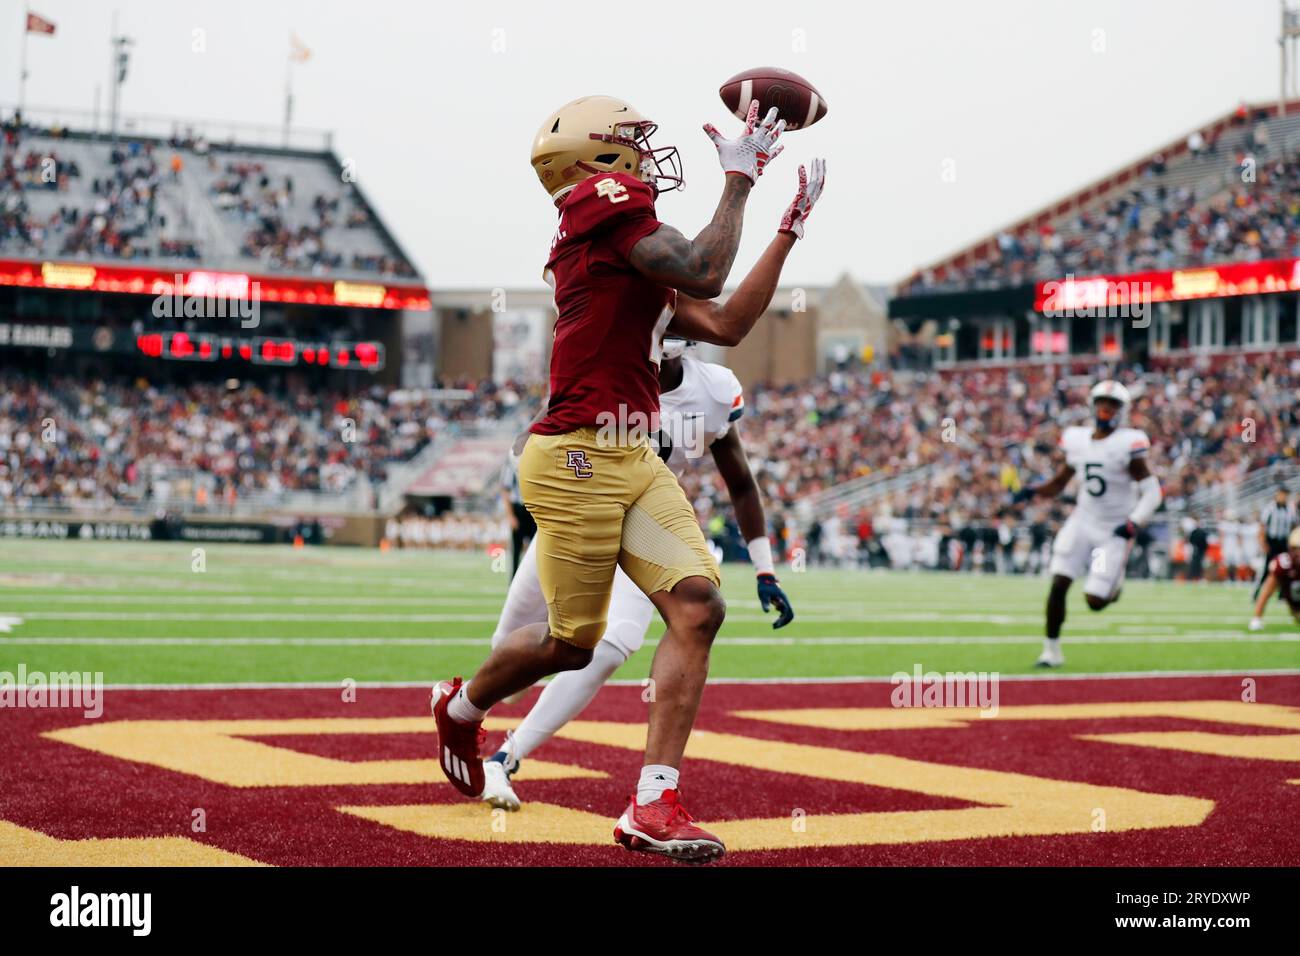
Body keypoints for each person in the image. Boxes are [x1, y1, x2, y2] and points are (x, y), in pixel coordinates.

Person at [431, 94, 825, 864]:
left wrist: (787, 231)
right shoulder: (599, 206)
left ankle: (652, 802)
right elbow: (708, 271)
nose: (648, 156)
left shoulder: (625, 251)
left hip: (633, 455)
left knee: (700, 606)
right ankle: (465, 705)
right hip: (576, 453)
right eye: (631, 143)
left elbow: (727, 323)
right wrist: (739, 183)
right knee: (572, 646)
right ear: (595, 161)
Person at [480, 341, 793, 811]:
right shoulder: (602, 367)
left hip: (645, 531)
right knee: (512, 652)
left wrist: (765, 569)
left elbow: (742, 484)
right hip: (576, 517)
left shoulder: (711, 391)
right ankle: (466, 719)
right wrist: (577, 474)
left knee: (608, 648)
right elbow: (536, 442)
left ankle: (504, 757)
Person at [1012, 381, 1163, 668]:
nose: (1105, 409)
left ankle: (1112, 587)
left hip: (1113, 530)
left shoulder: (1127, 443)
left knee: (1095, 601)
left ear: (1122, 410)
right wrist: (1031, 491)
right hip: (1083, 520)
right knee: (1058, 582)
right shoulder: (1077, 439)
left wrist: (1133, 523)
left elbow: (1153, 492)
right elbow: (1058, 484)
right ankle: (1051, 651)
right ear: (1092, 405)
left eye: (1112, 404)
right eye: (1101, 402)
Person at [1249, 527, 1300, 630]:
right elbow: (1266, 592)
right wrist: (1257, 618)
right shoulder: (1284, 564)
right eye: (1296, 549)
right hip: (1295, 606)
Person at [1253, 487, 1295, 599]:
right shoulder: (1270, 509)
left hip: (1284, 542)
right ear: (1277, 495)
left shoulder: (1289, 509)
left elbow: (1293, 526)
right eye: (1282, 494)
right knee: (1267, 569)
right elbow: (1262, 526)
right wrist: (1263, 543)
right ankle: (1257, 592)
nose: (1283, 497)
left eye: (1285, 495)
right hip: (1272, 542)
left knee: (1285, 569)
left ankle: (1282, 595)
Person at [499, 456, 535, 577]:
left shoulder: (536, 454)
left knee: (536, 550)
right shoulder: (512, 460)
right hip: (518, 509)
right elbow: (505, 488)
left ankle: (536, 582)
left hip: (535, 508)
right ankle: (514, 581)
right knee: (516, 551)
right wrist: (510, 515)